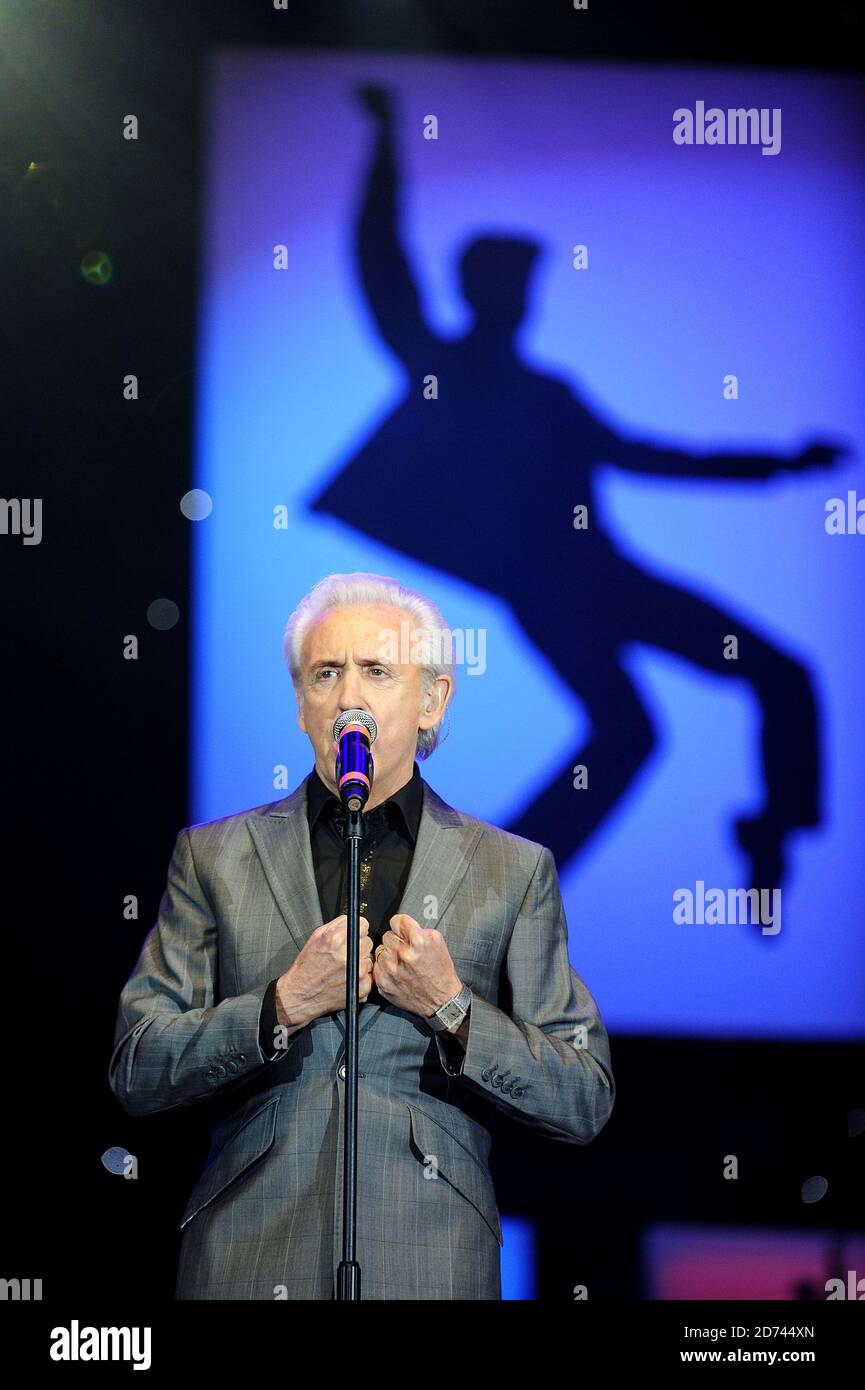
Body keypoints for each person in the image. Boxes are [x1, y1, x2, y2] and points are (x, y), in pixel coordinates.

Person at [108, 571, 615, 1300]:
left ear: (432, 701)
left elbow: (581, 1097)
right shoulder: (214, 856)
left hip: (431, 1258)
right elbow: (138, 1067)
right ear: (300, 705)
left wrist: (451, 1008)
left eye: (376, 670)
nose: (349, 697)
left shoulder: (512, 871)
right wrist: (277, 1007)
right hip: (250, 1257)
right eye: (325, 674)